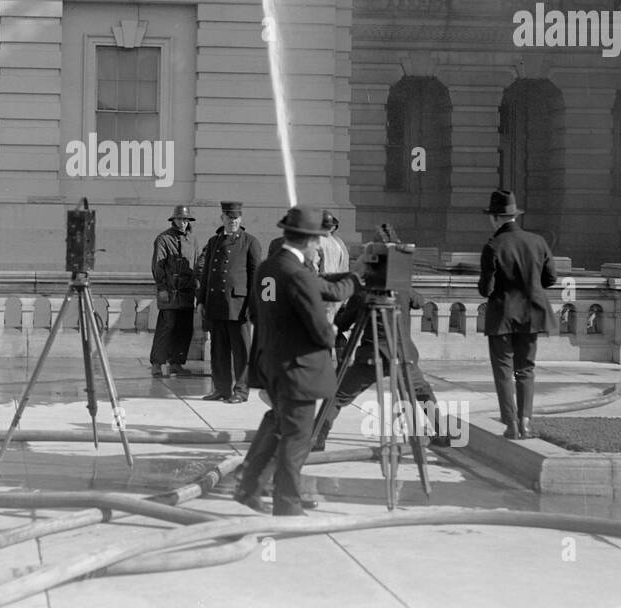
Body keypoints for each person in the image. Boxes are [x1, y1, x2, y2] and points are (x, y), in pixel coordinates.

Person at [233, 206, 357, 516]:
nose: (319, 247)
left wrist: (354, 279)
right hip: (298, 368)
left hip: (272, 361)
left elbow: (273, 308)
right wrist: (331, 333)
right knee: (298, 437)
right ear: (307, 241)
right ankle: (287, 504)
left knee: (278, 423)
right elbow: (320, 330)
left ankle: (249, 485)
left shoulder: (269, 267)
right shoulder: (299, 274)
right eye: (317, 240)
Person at [311, 248, 448, 452]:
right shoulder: (401, 288)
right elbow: (419, 302)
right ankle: (441, 433)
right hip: (402, 356)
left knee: (337, 396)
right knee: (422, 392)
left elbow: (344, 322)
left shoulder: (363, 292)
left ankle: (317, 437)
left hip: (373, 356)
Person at [479, 189, 557, 439]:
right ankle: (525, 421)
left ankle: (510, 423)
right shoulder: (538, 241)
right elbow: (551, 279)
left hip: (502, 315)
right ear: (514, 215)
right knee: (525, 369)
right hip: (532, 314)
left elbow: (486, 289)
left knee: (503, 370)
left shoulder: (493, 245)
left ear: (494, 218)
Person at [197, 201, 262, 403]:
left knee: (241, 350)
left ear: (241, 219)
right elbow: (206, 273)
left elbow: (257, 276)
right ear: (222, 218)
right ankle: (221, 389)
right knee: (218, 350)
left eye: (236, 218)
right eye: (229, 218)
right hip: (216, 304)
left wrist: (254, 305)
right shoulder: (214, 241)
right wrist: (201, 300)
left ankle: (241, 391)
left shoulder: (250, 242)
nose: (232, 221)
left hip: (238, 306)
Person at [150, 205, 199, 378]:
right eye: (180, 219)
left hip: (186, 292)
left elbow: (196, 263)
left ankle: (177, 363)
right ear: (174, 220)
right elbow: (158, 266)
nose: (183, 223)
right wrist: (162, 287)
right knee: (166, 327)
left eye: (186, 219)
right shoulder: (163, 238)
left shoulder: (192, 239)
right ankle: (157, 363)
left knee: (184, 328)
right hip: (169, 291)